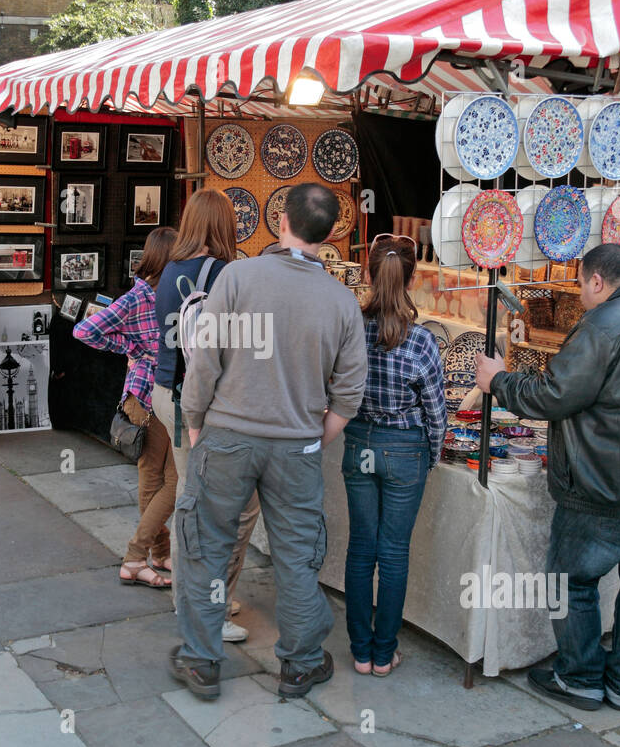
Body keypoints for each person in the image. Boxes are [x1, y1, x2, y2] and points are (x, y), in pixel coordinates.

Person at [474, 243, 620, 712]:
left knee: (570, 581)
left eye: (581, 284)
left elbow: (554, 395)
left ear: (597, 281)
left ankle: (580, 677)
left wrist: (499, 381)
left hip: (608, 487)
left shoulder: (603, 326)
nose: (580, 293)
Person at [170, 182, 367, 701]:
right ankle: (300, 665)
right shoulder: (341, 301)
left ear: (281, 220)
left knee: (204, 548)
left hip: (227, 436)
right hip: (297, 445)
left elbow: (204, 359)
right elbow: (349, 394)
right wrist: (311, 438)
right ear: (328, 238)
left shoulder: (238, 277)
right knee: (297, 558)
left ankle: (201, 660)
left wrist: (195, 424)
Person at [150, 189, 261, 643]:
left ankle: (190, 596)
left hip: (165, 391)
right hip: (201, 401)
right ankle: (208, 606)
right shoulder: (224, 274)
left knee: (192, 502)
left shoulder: (169, 270)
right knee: (230, 508)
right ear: (223, 225)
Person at [342, 234, 447, 677]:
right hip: (405, 450)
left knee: (362, 548)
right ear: (413, 278)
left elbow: (337, 387)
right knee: (393, 552)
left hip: (359, 442)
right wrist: (433, 455)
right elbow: (436, 414)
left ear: (367, 274)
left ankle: (361, 652)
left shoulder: (350, 328)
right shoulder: (422, 341)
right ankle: (384, 654)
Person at [74, 227, 179, 590]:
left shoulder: (166, 293)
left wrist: (135, 349)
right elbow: (84, 331)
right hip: (149, 399)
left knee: (154, 478)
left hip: (153, 396)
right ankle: (136, 556)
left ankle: (159, 553)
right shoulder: (139, 298)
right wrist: (133, 350)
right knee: (172, 481)